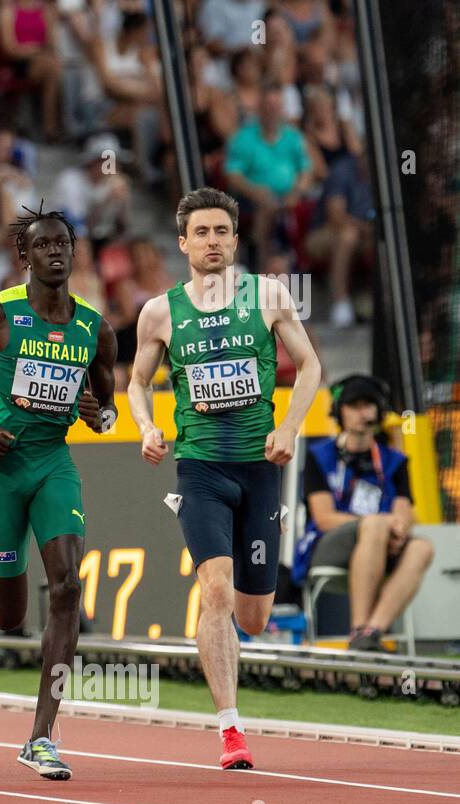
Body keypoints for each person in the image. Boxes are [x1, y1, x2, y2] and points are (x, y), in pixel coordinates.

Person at [126, 187, 321, 770]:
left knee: (254, 614)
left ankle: (237, 640)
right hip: (201, 469)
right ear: (183, 242)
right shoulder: (160, 312)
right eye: (201, 233)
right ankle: (231, 729)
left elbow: (309, 365)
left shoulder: (268, 295)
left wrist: (288, 427)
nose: (212, 242)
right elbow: (137, 381)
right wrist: (146, 425)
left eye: (222, 232)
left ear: (235, 240)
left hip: (261, 469)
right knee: (214, 590)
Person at [0, 206, 117, 781]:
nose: (56, 252)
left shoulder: (95, 329)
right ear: (25, 256)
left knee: (67, 584)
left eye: (64, 244)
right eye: (44, 245)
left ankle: (42, 737)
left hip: (54, 464)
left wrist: (98, 413)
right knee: (8, 616)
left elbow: (105, 408)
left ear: (74, 252)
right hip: (1, 468)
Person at [293, 374, 434, 651]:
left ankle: (371, 631)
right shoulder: (319, 456)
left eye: (368, 405)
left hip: (383, 544)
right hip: (329, 545)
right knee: (374, 525)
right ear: (339, 412)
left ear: (378, 411)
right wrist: (379, 524)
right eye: (354, 405)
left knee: (422, 548)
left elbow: (404, 513)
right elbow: (324, 518)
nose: (362, 412)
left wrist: (396, 529)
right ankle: (358, 629)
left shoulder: (394, 460)